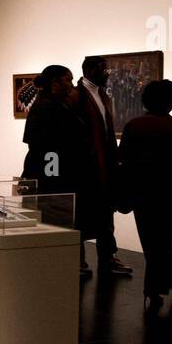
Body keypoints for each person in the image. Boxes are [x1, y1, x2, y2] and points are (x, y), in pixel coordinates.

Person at [118, 79, 172, 311]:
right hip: (170, 192)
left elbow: (122, 157)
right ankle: (160, 285)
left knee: (151, 241)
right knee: (164, 240)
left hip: (141, 192)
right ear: (170, 102)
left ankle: (161, 285)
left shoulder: (133, 125)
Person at [22, 65, 93, 273]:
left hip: (50, 177)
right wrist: (55, 178)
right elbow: (47, 148)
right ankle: (61, 264)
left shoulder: (47, 106)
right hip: (53, 180)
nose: (71, 86)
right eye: (68, 81)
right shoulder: (49, 108)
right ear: (55, 83)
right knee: (57, 224)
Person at [75, 56, 133, 276]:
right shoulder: (77, 95)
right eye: (103, 69)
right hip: (86, 167)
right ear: (89, 70)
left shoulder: (101, 95)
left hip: (104, 165)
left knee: (106, 213)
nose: (107, 73)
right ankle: (79, 261)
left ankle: (108, 258)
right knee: (81, 215)